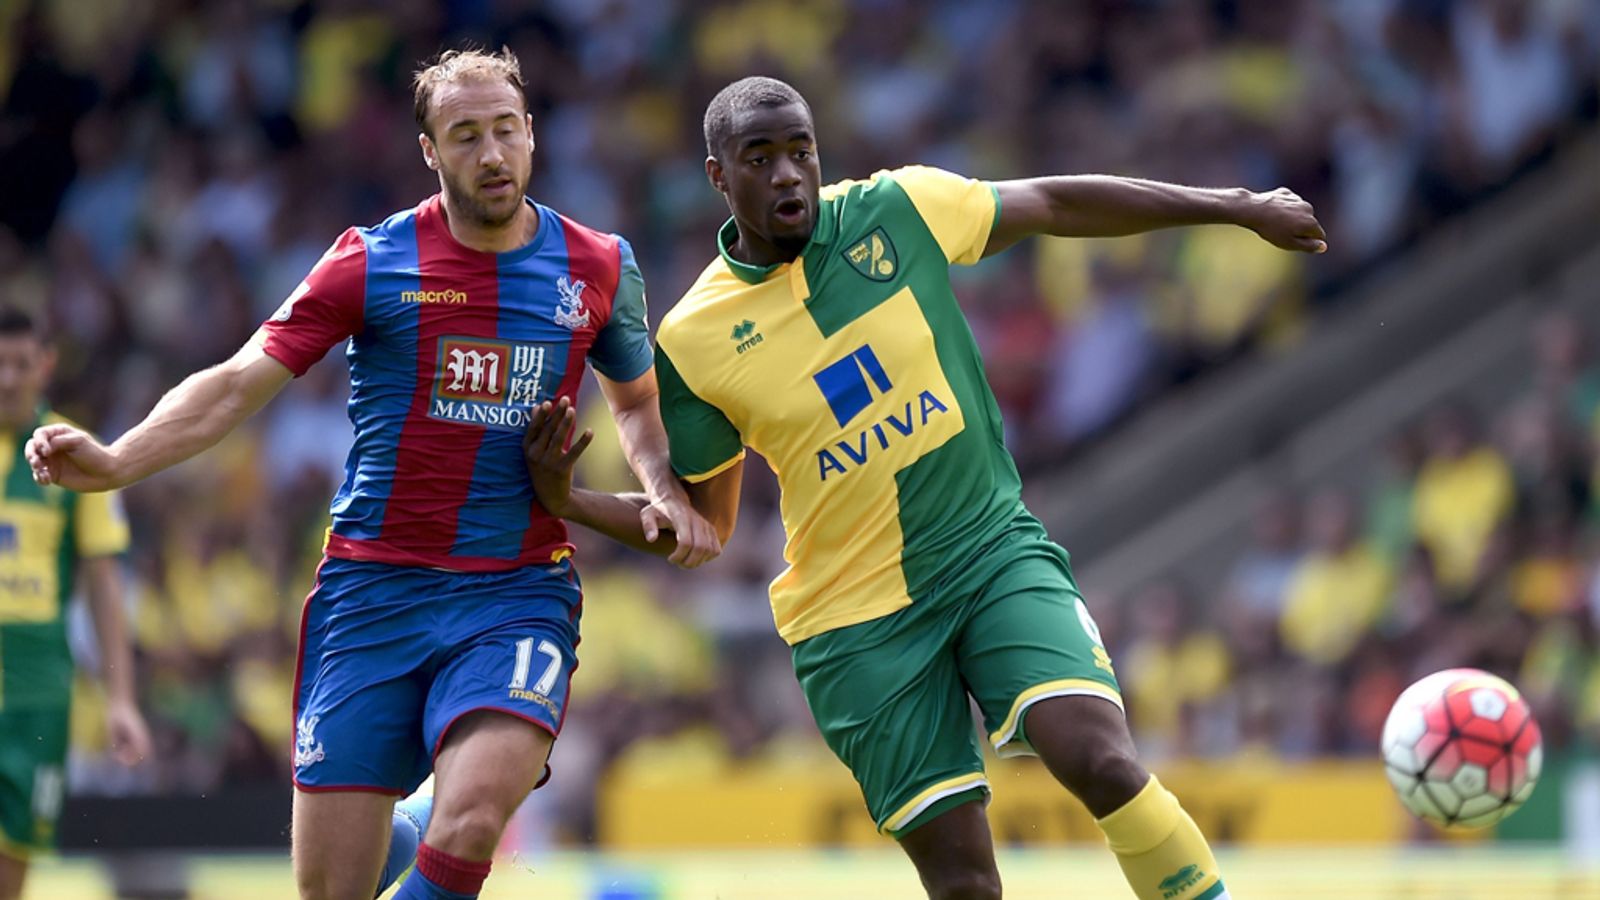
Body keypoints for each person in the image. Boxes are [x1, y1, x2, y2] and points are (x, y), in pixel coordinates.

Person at [524, 76, 1327, 900]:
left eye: (800, 150)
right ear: (718, 176)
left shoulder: (900, 207)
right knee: (964, 886)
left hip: (987, 551)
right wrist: (568, 500)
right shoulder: (693, 339)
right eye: (759, 159)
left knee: (1100, 757)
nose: (789, 174)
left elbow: (1052, 202)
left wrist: (1236, 205)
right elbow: (702, 529)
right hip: (856, 623)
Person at [25, 48, 719, 900]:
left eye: (506, 131)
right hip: (373, 593)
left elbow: (638, 405)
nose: (491, 155)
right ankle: (414, 825)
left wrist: (658, 484)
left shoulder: (599, 264)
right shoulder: (373, 261)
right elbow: (240, 381)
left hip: (515, 590)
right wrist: (118, 458)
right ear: (430, 150)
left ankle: (440, 819)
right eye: (465, 137)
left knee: (473, 819)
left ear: (532, 136)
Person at [0, 308, 151, 900]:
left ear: (46, 364)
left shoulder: (73, 451)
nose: (8, 378)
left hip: (38, 689)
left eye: (21, 363)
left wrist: (121, 698)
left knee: (14, 862)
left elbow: (104, 582)